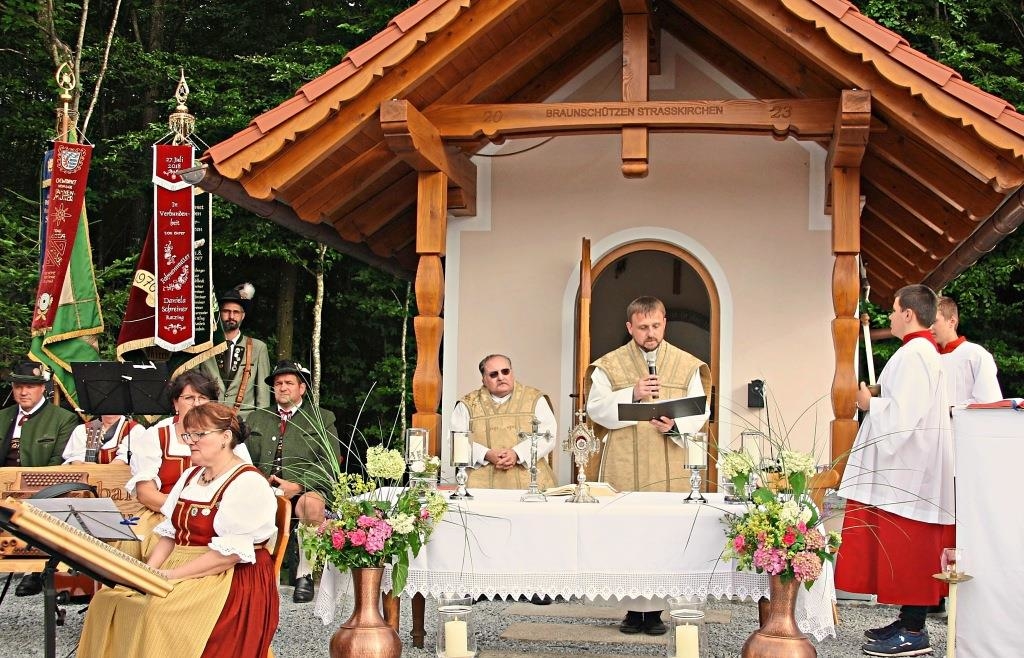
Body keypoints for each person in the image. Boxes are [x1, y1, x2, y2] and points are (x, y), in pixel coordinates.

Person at [77, 402, 279, 658]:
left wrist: (170, 576)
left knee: (156, 612)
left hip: (228, 578)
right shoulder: (192, 476)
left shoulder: (248, 482)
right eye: (188, 434)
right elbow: (170, 534)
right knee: (107, 601)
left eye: (199, 435)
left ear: (225, 437)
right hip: (186, 567)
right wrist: (148, 572)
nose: (190, 441)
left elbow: (228, 555)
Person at [837, 284, 953, 656]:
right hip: (910, 467)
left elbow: (905, 414)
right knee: (903, 548)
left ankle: (916, 630)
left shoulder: (917, 354)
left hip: (910, 470)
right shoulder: (917, 352)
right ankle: (907, 619)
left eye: (893, 309)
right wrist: (880, 393)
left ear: (908, 313)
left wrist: (871, 402)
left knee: (910, 548)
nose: (889, 315)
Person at [585, 296, 711, 636]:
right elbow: (596, 409)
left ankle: (656, 612)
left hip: (667, 460)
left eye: (655, 325)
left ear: (664, 322)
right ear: (630, 327)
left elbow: (701, 411)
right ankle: (631, 610)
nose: (650, 333)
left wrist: (675, 426)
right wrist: (633, 394)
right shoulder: (609, 365)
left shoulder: (686, 364)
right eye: (642, 327)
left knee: (664, 536)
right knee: (627, 535)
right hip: (624, 461)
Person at [125, 370, 251, 558]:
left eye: (203, 398)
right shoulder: (156, 436)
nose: (197, 404)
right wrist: (187, 515)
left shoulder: (226, 437)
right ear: (175, 403)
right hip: (162, 516)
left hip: (213, 519)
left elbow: (244, 482)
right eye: (189, 398)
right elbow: (146, 494)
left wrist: (204, 518)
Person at [246, 360, 341, 603]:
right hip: (263, 488)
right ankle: (256, 576)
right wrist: (259, 483)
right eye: (278, 383)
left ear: (302, 388)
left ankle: (304, 574)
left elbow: (329, 462)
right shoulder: (257, 418)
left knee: (311, 505)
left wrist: (297, 485)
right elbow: (244, 458)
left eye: (289, 382)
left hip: (306, 488)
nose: (283, 387)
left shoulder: (322, 418)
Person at [0, 361, 79, 596]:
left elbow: (58, 465)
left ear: (43, 388)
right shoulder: (3, 417)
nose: (23, 392)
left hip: (39, 493)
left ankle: (33, 569)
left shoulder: (63, 418)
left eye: (30, 386)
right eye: (18, 386)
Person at [450, 354, 557, 490]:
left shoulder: (535, 399)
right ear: (484, 379)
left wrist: (517, 453)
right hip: (481, 485)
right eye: (493, 374)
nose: (501, 377)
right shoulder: (468, 404)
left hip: (530, 482)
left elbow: (548, 436)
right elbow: (455, 442)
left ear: (512, 373)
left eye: (505, 371)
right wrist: (486, 454)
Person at [199, 283, 271, 418]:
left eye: (236, 312)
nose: (231, 316)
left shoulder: (258, 348)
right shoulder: (204, 346)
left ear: (243, 316)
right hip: (209, 419)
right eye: (226, 311)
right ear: (219, 314)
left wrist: (260, 426)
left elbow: (263, 394)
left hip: (244, 422)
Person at [931, 295, 1002, 405]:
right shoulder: (928, 358)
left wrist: (949, 410)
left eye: (934, 321)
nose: (929, 328)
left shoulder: (976, 354)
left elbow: (988, 401)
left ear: (952, 321)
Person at [62, 415, 144, 464]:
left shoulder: (135, 429)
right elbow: (77, 463)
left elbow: (123, 461)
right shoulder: (82, 429)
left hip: (121, 486)